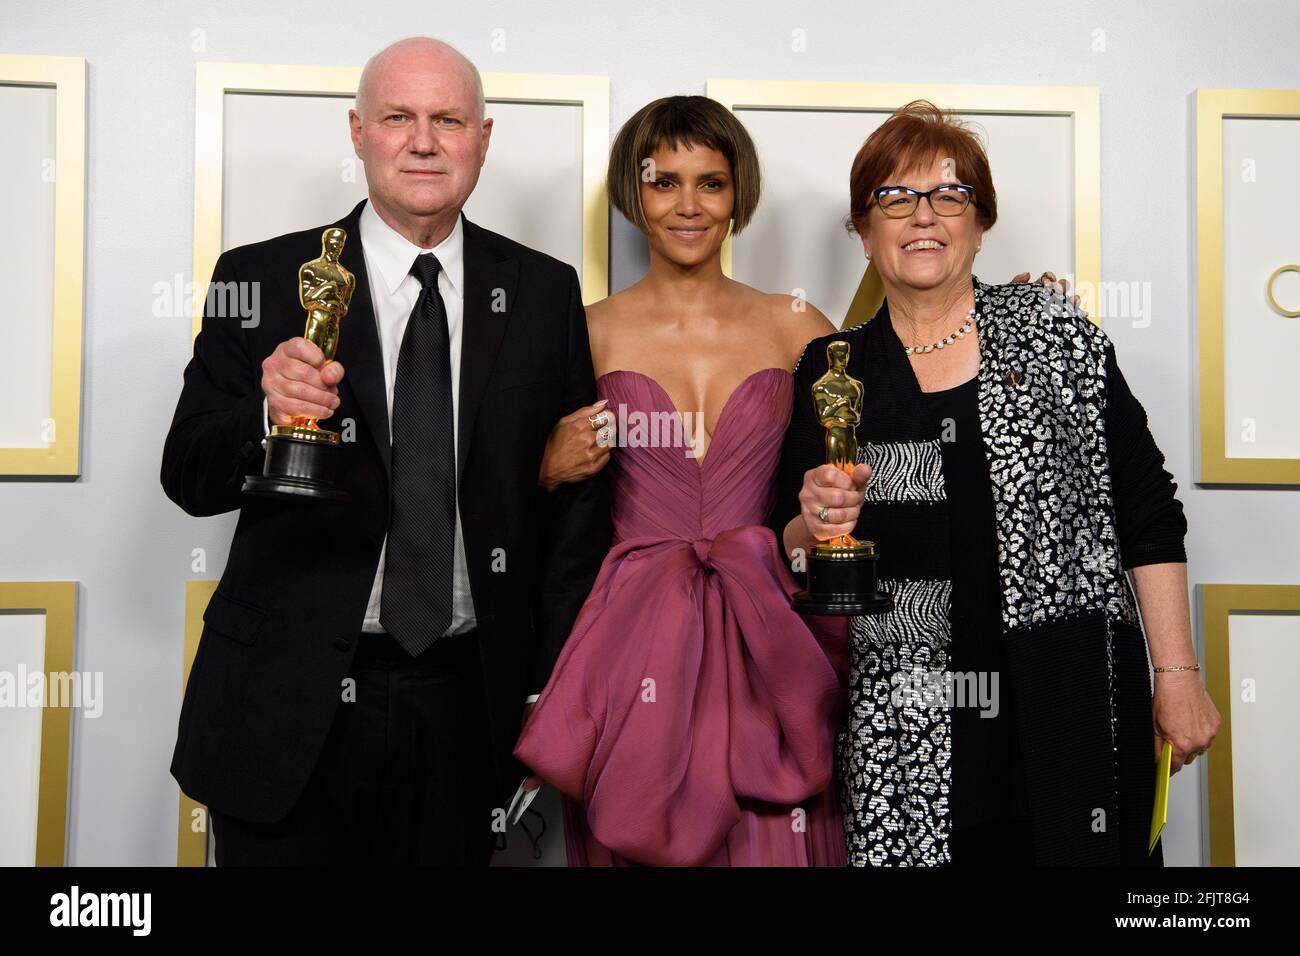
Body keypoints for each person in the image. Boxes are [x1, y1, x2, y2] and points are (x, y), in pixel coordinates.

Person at [161, 36, 611, 865]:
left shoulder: (545, 294)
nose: (424, 140)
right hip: (283, 705)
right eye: (398, 117)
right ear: (358, 131)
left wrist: (549, 684)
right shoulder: (263, 277)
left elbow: (576, 512)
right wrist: (265, 411)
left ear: (484, 137)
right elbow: (186, 473)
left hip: (468, 704)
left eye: (448, 119)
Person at [767, 100, 1220, 866]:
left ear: (981, 222)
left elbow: (1146, 508)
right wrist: (814, 520)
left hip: (1071, 690)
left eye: (950, 195)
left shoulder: (1053, 333)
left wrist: (1178, 676)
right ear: (863, 227)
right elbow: (792, 543)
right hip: (907, 725)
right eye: (895, 197)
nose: (924, 216)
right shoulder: (835, 368)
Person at [512, 96, 849, 866]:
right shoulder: (586, 327)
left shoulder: (796, 325)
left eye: (712, 183)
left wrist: (999, 312)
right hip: (625, 644)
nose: (689, 206)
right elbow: (506, 489)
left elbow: (879, 431)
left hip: (770, 636)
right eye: (664, 183)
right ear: (634, 198)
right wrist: (540, 468)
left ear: (739, 195)